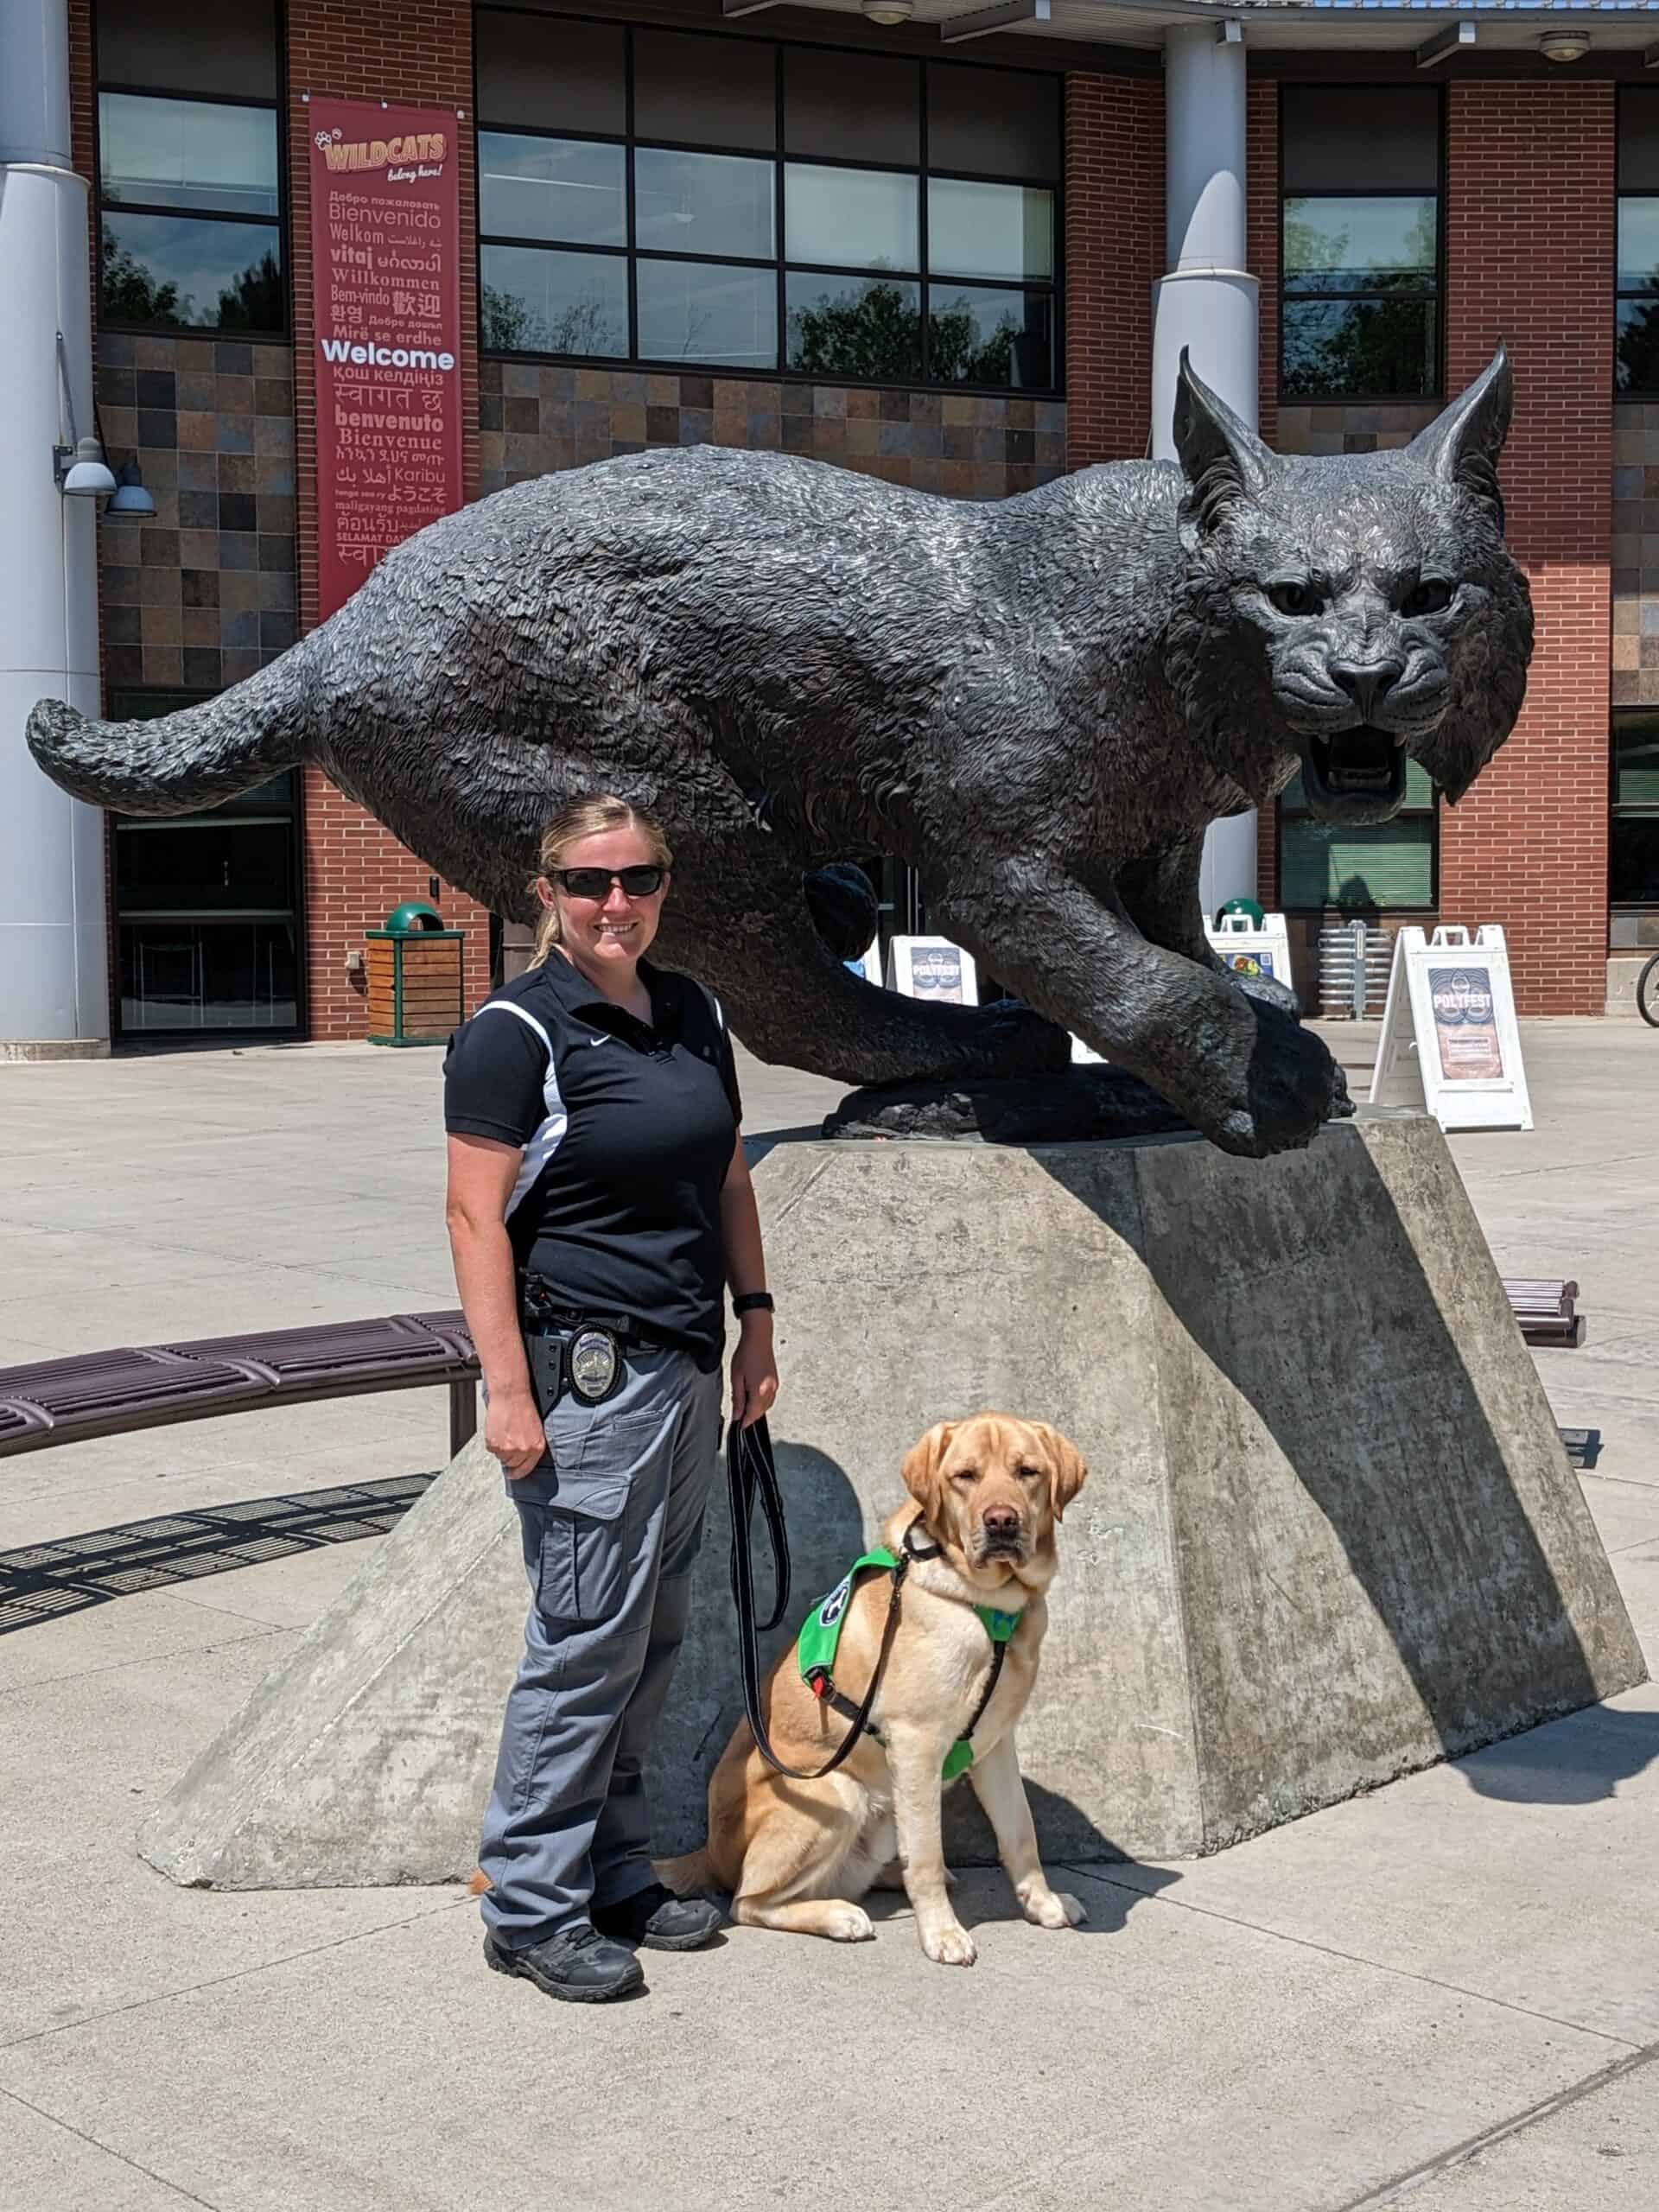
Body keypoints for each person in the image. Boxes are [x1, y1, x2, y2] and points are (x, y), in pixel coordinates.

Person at [443, 793, 779, 2005]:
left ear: (664, 885)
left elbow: (727, 1171)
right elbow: (475, 1217)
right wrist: (508, 1392)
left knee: (658, 1634)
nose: (616, 903)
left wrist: (756, 1319)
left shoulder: (692, 1013)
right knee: (584, 1641)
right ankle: (529, 1904)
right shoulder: (515, 1033)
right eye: (589, 883)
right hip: (584, 1384)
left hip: (686, 1369)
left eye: (638, 878)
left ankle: (614, 1864)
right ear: (546, 893)